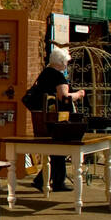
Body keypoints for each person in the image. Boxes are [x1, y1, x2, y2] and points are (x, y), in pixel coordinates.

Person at [27, 45, 84, 192]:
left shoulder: (44, 73)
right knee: (61, 148)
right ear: (60, 62)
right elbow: (64, 97)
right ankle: (55, 181)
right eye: (65, 63)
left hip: (42, 118)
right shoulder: (58, 76)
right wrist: (78, 95)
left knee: (56, 151)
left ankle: (46, 180)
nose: (66, 66)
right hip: (57, 119)